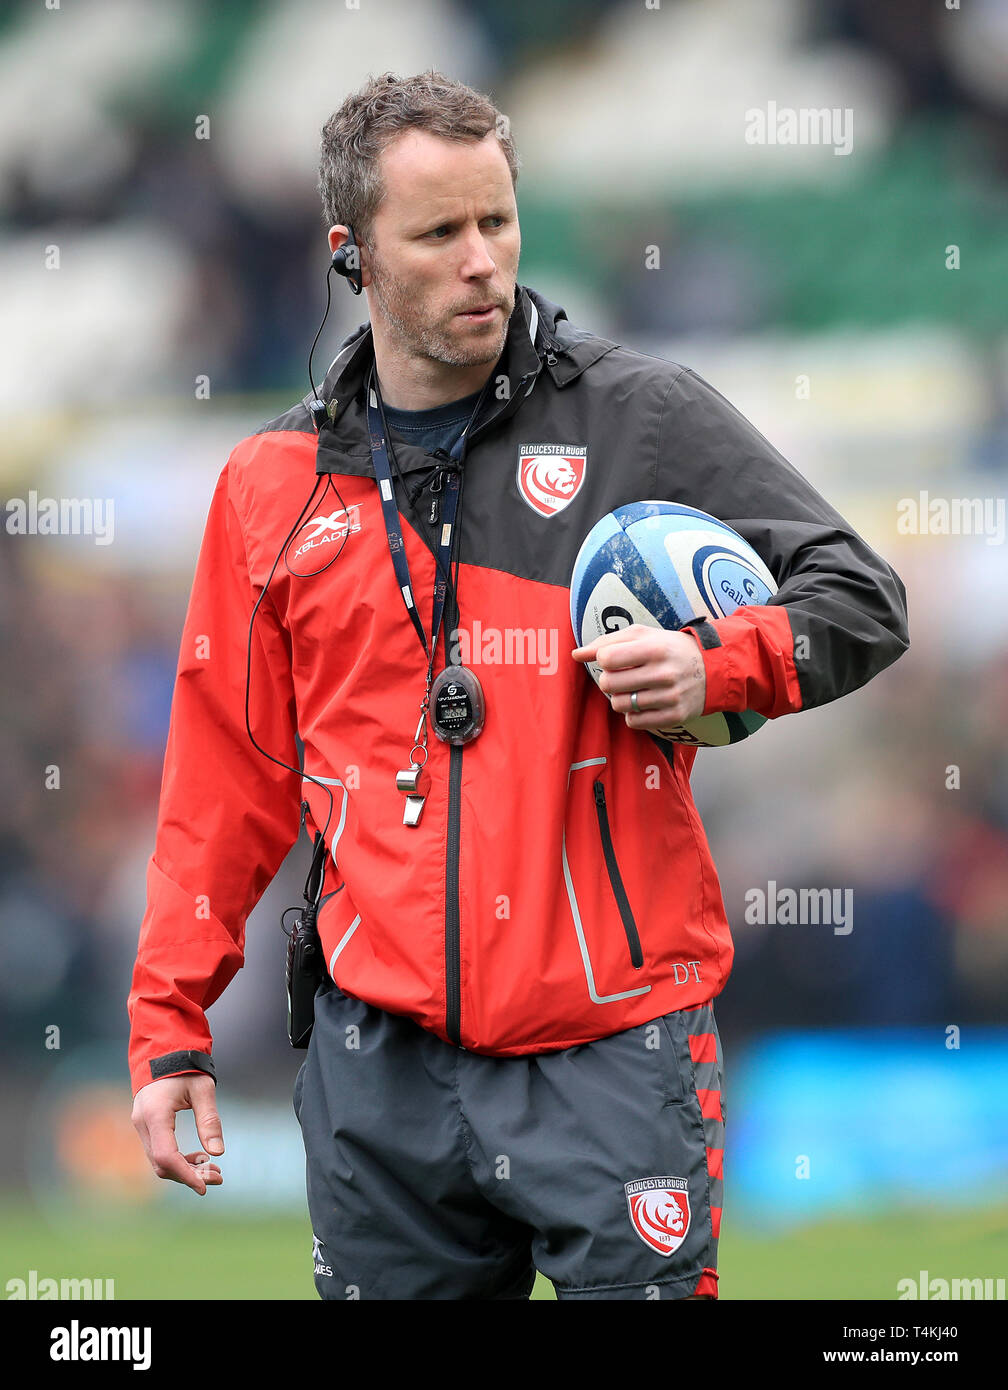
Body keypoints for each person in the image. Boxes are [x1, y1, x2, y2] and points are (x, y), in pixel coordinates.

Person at [128, 70, 909, 1300]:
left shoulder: (638, 417)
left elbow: (861, 598)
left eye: (498, 221)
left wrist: (715, 663)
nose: (483, 259)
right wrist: (170, 1023)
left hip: (612, 1052)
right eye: (440, 233)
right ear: (355, 258)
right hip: (375, 1071)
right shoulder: (268, 488)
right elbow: (225, 779)